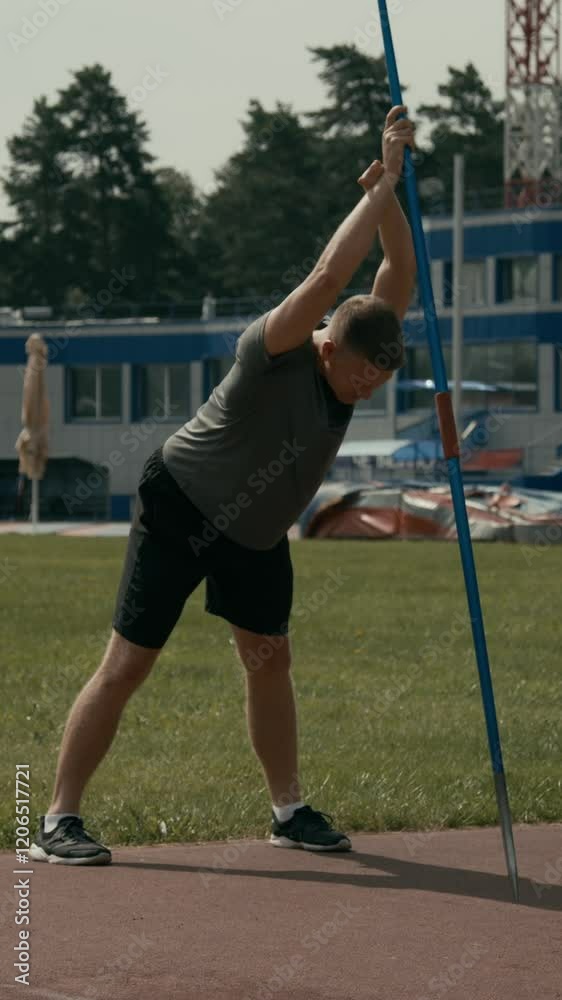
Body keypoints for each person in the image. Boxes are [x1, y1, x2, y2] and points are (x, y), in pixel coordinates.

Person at [30, 105, 417, 865]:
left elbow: (394, 275)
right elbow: (328, 275)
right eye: (361, 376)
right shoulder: (273, 346)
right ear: (330, 346)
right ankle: (55, 821)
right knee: (130, 662)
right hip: (181, 505)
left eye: (379, 380)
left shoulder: (366, 336)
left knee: (269, 658)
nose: (367, 390)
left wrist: (391, 187)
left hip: (256, 534)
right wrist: (377, 190)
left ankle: (288, 810)